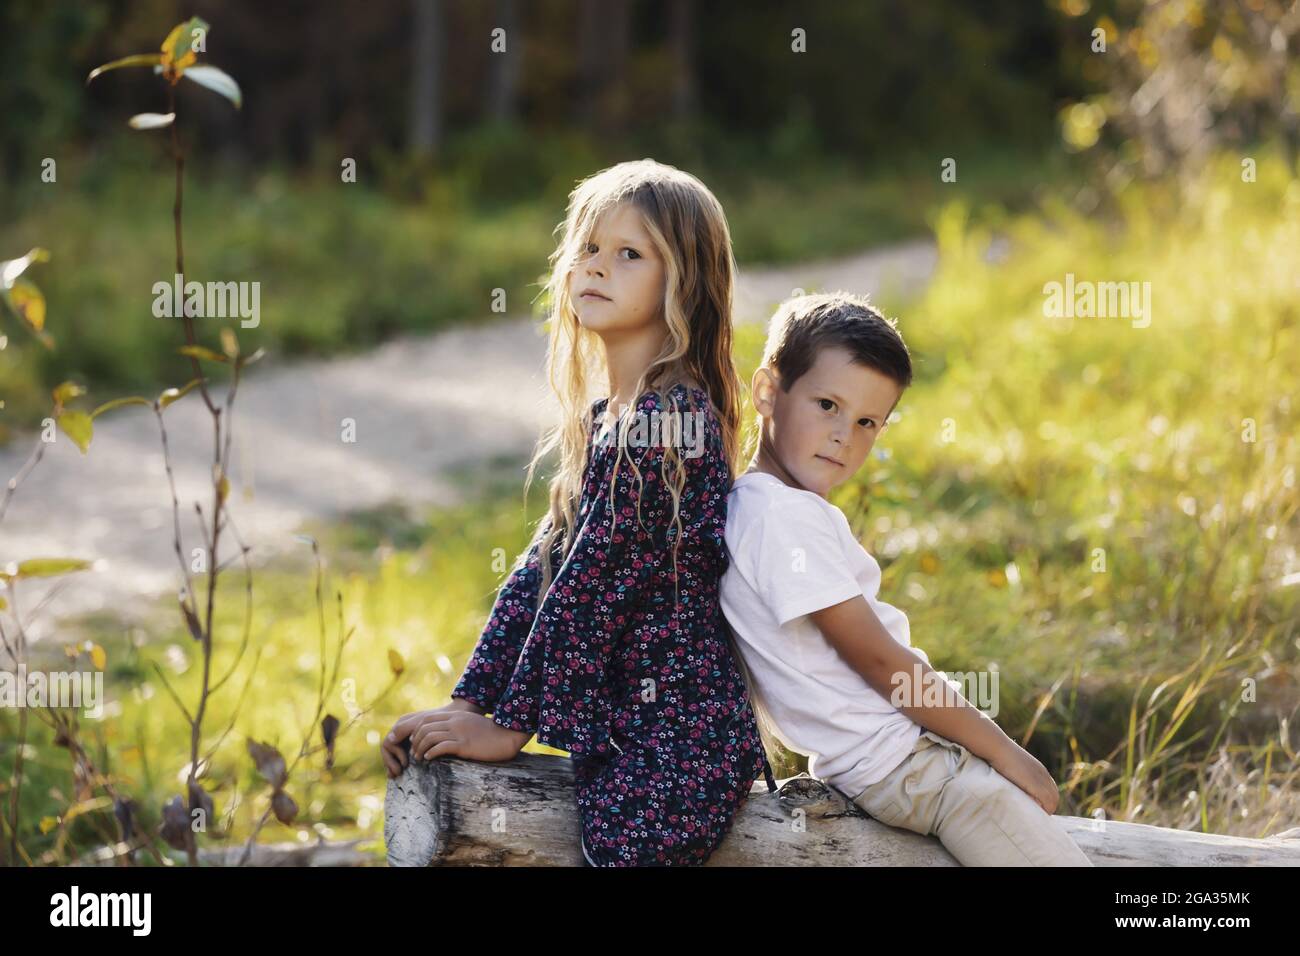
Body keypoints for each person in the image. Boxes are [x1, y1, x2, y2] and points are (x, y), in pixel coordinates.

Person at [381, 159, 775, 866]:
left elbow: (591, 591)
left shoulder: (668, 422)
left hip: (679, 744)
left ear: (682, 282)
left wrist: (511, 727)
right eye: (588, 248)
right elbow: (542, 574)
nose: (597, 267)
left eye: (629, 254)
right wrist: (472, 701)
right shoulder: (611, 419)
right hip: (631, 734)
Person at [719, 291, 1093, 866]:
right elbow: (878, 662)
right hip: (906, 765)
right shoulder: (783, 517)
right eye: (827, 405)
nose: (845, 434)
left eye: (868, 421)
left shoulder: (763, 506)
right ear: (768, 391)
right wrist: (1006, 753)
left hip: (890, 759)